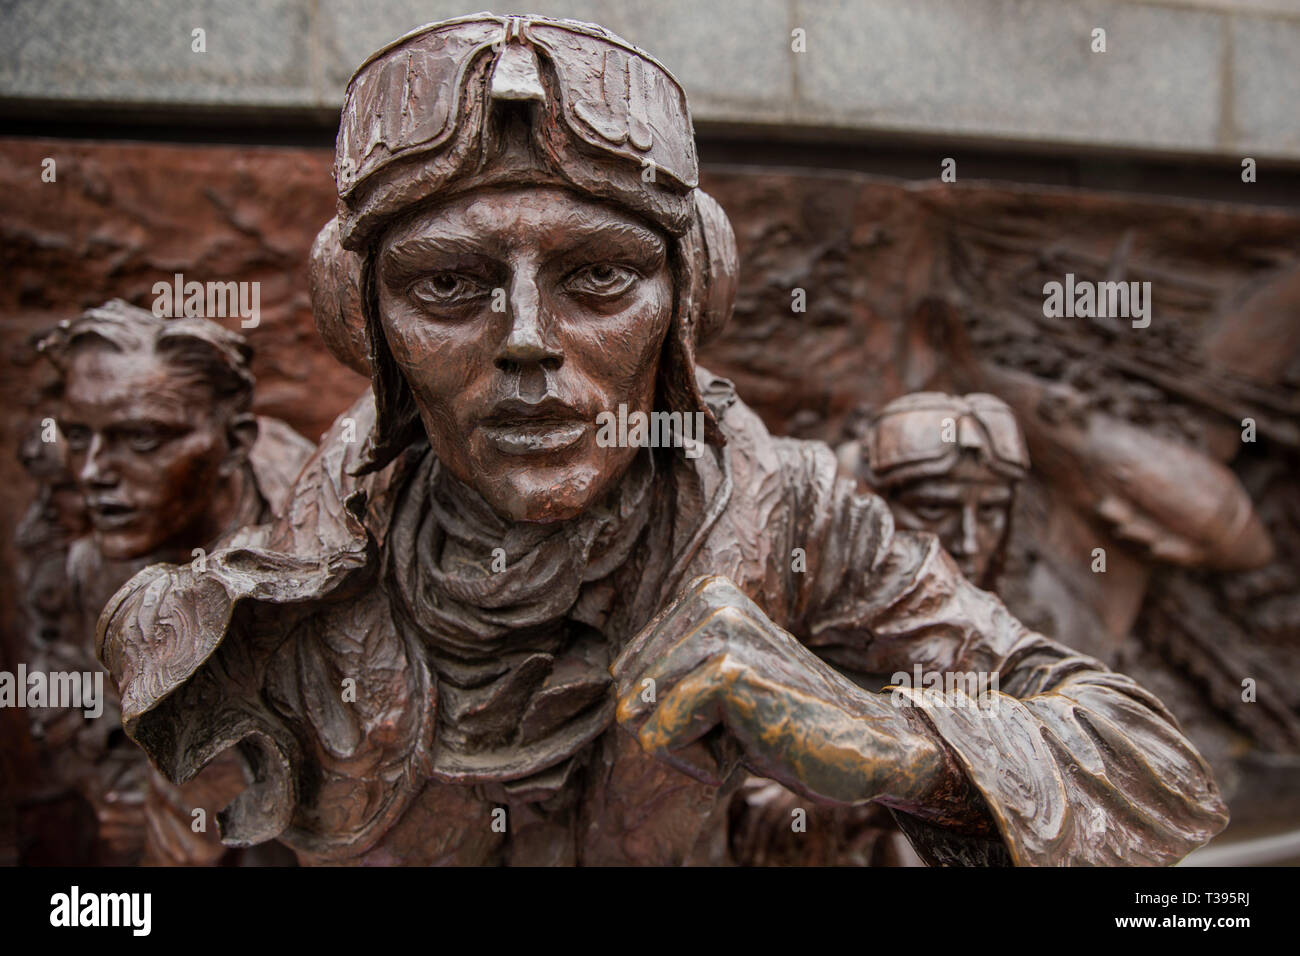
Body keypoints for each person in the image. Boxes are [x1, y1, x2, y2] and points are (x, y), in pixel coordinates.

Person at [99, 14, 1227, 865]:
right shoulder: (272, 587)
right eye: (450, 283)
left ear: (689, 301)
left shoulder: (796, 517)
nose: (528, 344)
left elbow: (1157, 772)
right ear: (368, 323)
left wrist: (899, 746)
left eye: (598, 275)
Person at [36, 299, 313, 864]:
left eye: (141, 439)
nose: (91, 473)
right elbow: (69, 691)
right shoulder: (93, 563)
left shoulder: (321, 556)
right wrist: (123, 789)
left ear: (235, 443)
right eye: (77, 436)